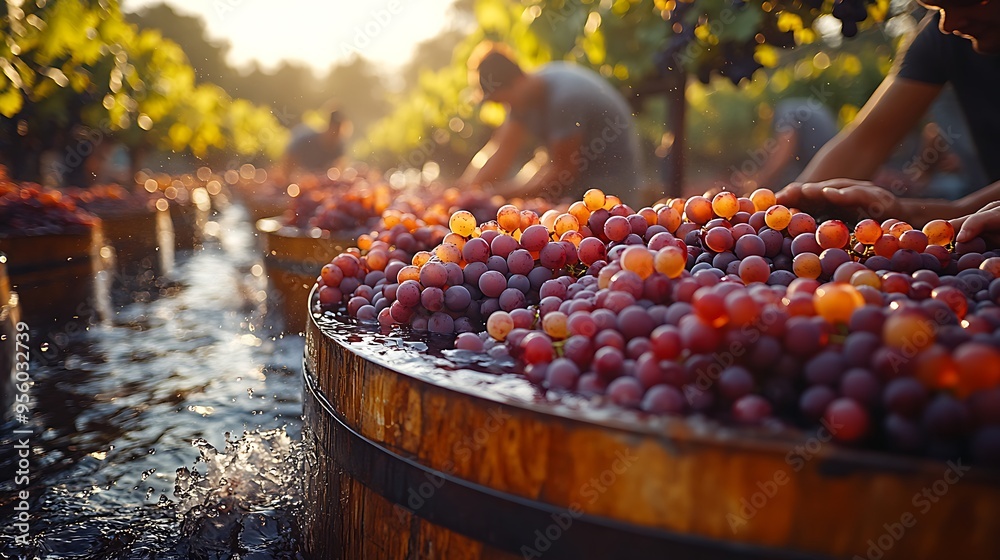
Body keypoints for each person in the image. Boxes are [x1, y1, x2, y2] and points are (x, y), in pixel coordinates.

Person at [777, 0, 1000, 226]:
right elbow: (865, 144)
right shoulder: (941, 39)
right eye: (939, 9)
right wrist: (791, 210)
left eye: (968, 4)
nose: (949, 24)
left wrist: (923, 213)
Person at [458, 43, 643, 201]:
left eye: (504, 100)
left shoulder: (565, 98)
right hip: (577, 190)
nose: (506, 108)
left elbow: (562, 172)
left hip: (609, 193)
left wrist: (495, 194)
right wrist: (465, 191)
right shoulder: (523, 100)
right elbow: (500, 150)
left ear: (518, 80)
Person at [732, 97, 838, 193]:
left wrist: (762, 181)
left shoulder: (784, 111)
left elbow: (785, 149)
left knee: (786, 184)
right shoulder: (799, 107)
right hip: (833, 162)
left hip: (820, 167)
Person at [282, 110, 348, 177]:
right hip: (300, 178)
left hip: (320, 181)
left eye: (337, 131)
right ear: (328, 126)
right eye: (333, 130)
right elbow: (288, 162)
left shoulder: (339, 145)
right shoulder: (305, 139)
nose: (334, 135)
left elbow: (340, 166)